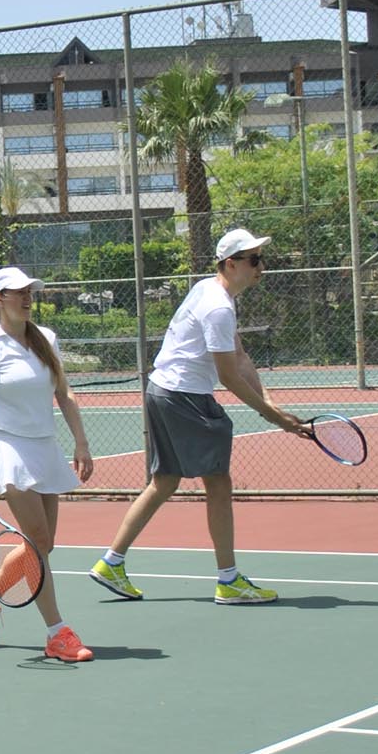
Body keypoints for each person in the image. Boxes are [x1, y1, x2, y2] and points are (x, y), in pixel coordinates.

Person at [88, 228, 305, 606]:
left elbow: (240, 356)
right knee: (218, 483)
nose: (260, 267)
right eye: (254, 260)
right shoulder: (218, 306)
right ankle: (229, 580)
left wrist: (271, 402)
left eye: (261, 259)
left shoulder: (213, 291)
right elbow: (227, 375)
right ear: (231, 264)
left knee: (166, 481)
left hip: (164, 391)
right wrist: (271, 415)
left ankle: (111, 562)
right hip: (183, 397)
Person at [0, 266, 95, 661]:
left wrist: (81, 443)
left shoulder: (45, 339)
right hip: (10, 449)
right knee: (37, 541)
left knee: (41, 548)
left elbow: (64, 395)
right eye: (18, 292)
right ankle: (57, 633)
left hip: (45, 448)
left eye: (30, 291)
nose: (28, 297)